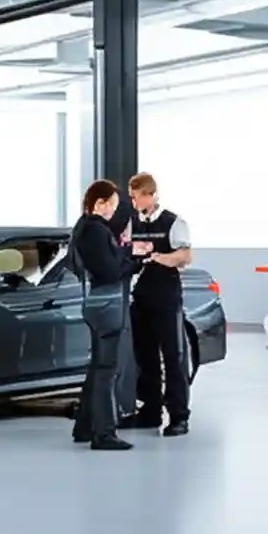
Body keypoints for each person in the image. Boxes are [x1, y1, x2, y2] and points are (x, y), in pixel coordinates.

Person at [68, 179, 139, 451]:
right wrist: (134, 265)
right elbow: (109, 271)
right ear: (100, 203)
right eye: (112, 204)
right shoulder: (96, 231)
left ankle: (85, 427)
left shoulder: (83, 228)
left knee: (98, 368)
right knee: (106, 370)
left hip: (96, 305)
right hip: (107, 306)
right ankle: (104, 433)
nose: (113, 210)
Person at [125, 172, 193, 437]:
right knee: (145, 355)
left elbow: (186, 255)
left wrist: (160, 257)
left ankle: (179, 416)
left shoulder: (173, 222)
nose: (133, 203)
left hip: (166, 295)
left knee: (173, 356)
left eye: (136, 197)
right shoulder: (132, 222)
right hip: (140, 295)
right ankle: (150, 411)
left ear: (150, 195)